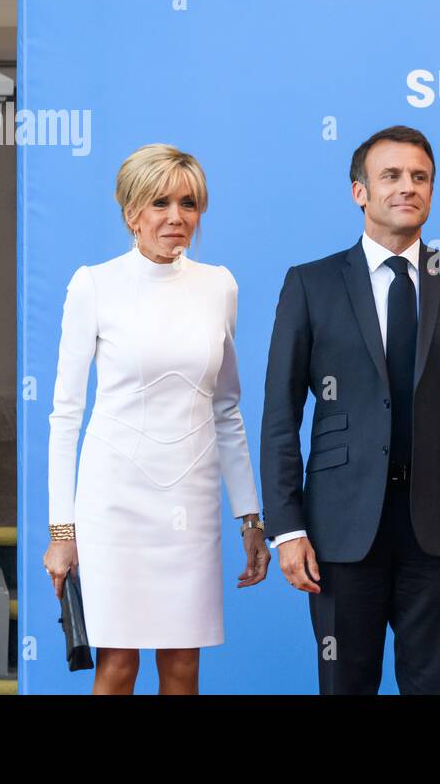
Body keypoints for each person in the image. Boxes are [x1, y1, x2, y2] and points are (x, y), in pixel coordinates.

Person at [260, 124, 440, 694]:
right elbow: (280, 416)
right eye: (391, 176)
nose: (408, 187)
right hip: (339, 531)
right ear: (360, 191)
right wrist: (287, 528)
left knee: (435, 686)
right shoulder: (310, 284)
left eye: (420, 177)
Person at [42, 143, 268, 694]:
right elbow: (65, 415)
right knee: (117, 664)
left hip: (188, 503)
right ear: (132, 213)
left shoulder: (219, 285)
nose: (176, 217)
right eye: (160, 203)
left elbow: (226, 408)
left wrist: (251, 517)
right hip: (113, 504)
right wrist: (62, 531)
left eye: (188, 204)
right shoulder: (93, 284)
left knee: (183, 666)